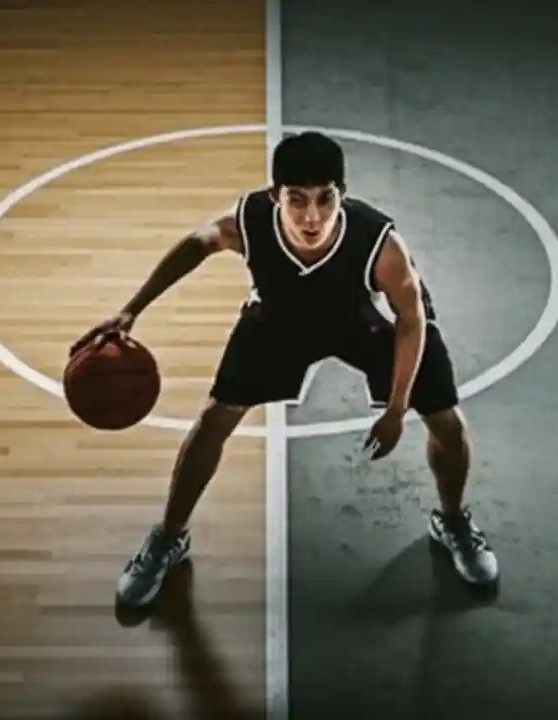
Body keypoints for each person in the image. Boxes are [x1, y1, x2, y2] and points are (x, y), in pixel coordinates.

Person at [70, 131, 498, 608]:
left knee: (446, 421)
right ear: (276, 196)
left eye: (325, 198)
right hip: (283, 319)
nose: (312, 216)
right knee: (215, 419)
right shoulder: (250, 222)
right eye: (297, 199)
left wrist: (397, 408)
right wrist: (132, 310)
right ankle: (169, 538)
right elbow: (197, 242)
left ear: (342, 193)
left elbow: (411, 321)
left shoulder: (379, 242)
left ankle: (453, 520)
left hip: (368, 323)